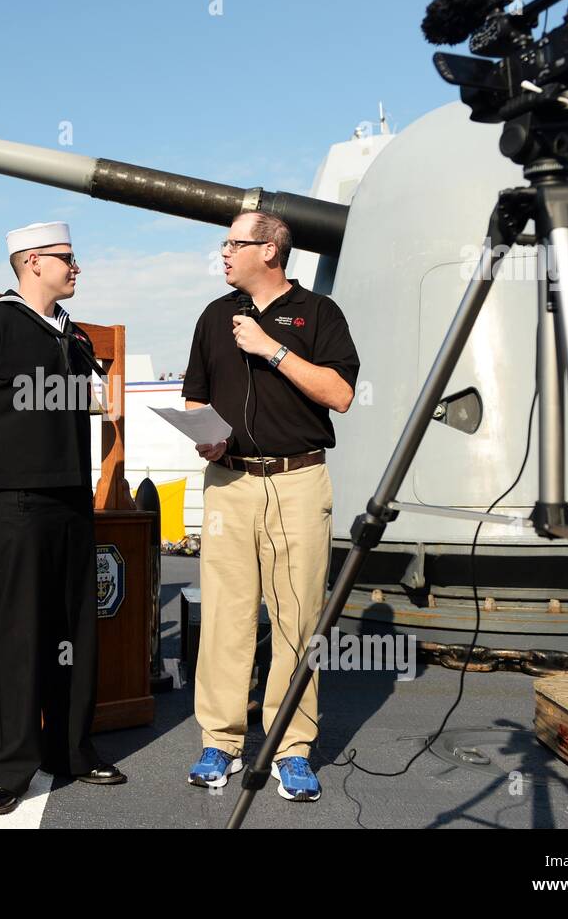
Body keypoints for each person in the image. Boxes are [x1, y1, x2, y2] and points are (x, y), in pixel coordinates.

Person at [0, 221, 125, 815]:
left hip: (71, 502)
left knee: (75, 633)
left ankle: (71, 748)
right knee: (19, 635)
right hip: (16, 503)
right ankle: (9, 764)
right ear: (33, 262)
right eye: (67, 258)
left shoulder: (75, 338)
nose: (77, 267)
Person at [182, 211, 360, 801]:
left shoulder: (320, 314)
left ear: (271, 251)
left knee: (296, 619)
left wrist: (271, 349)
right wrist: (203, 434)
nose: (225, 252)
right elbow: (194, 395)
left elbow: (340, 394)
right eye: (225, 242)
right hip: (228, 482)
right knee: (226, 618)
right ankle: (221, 741)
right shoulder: (213, 315)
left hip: (298, 482)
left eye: (236, 243)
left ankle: (291, 748)